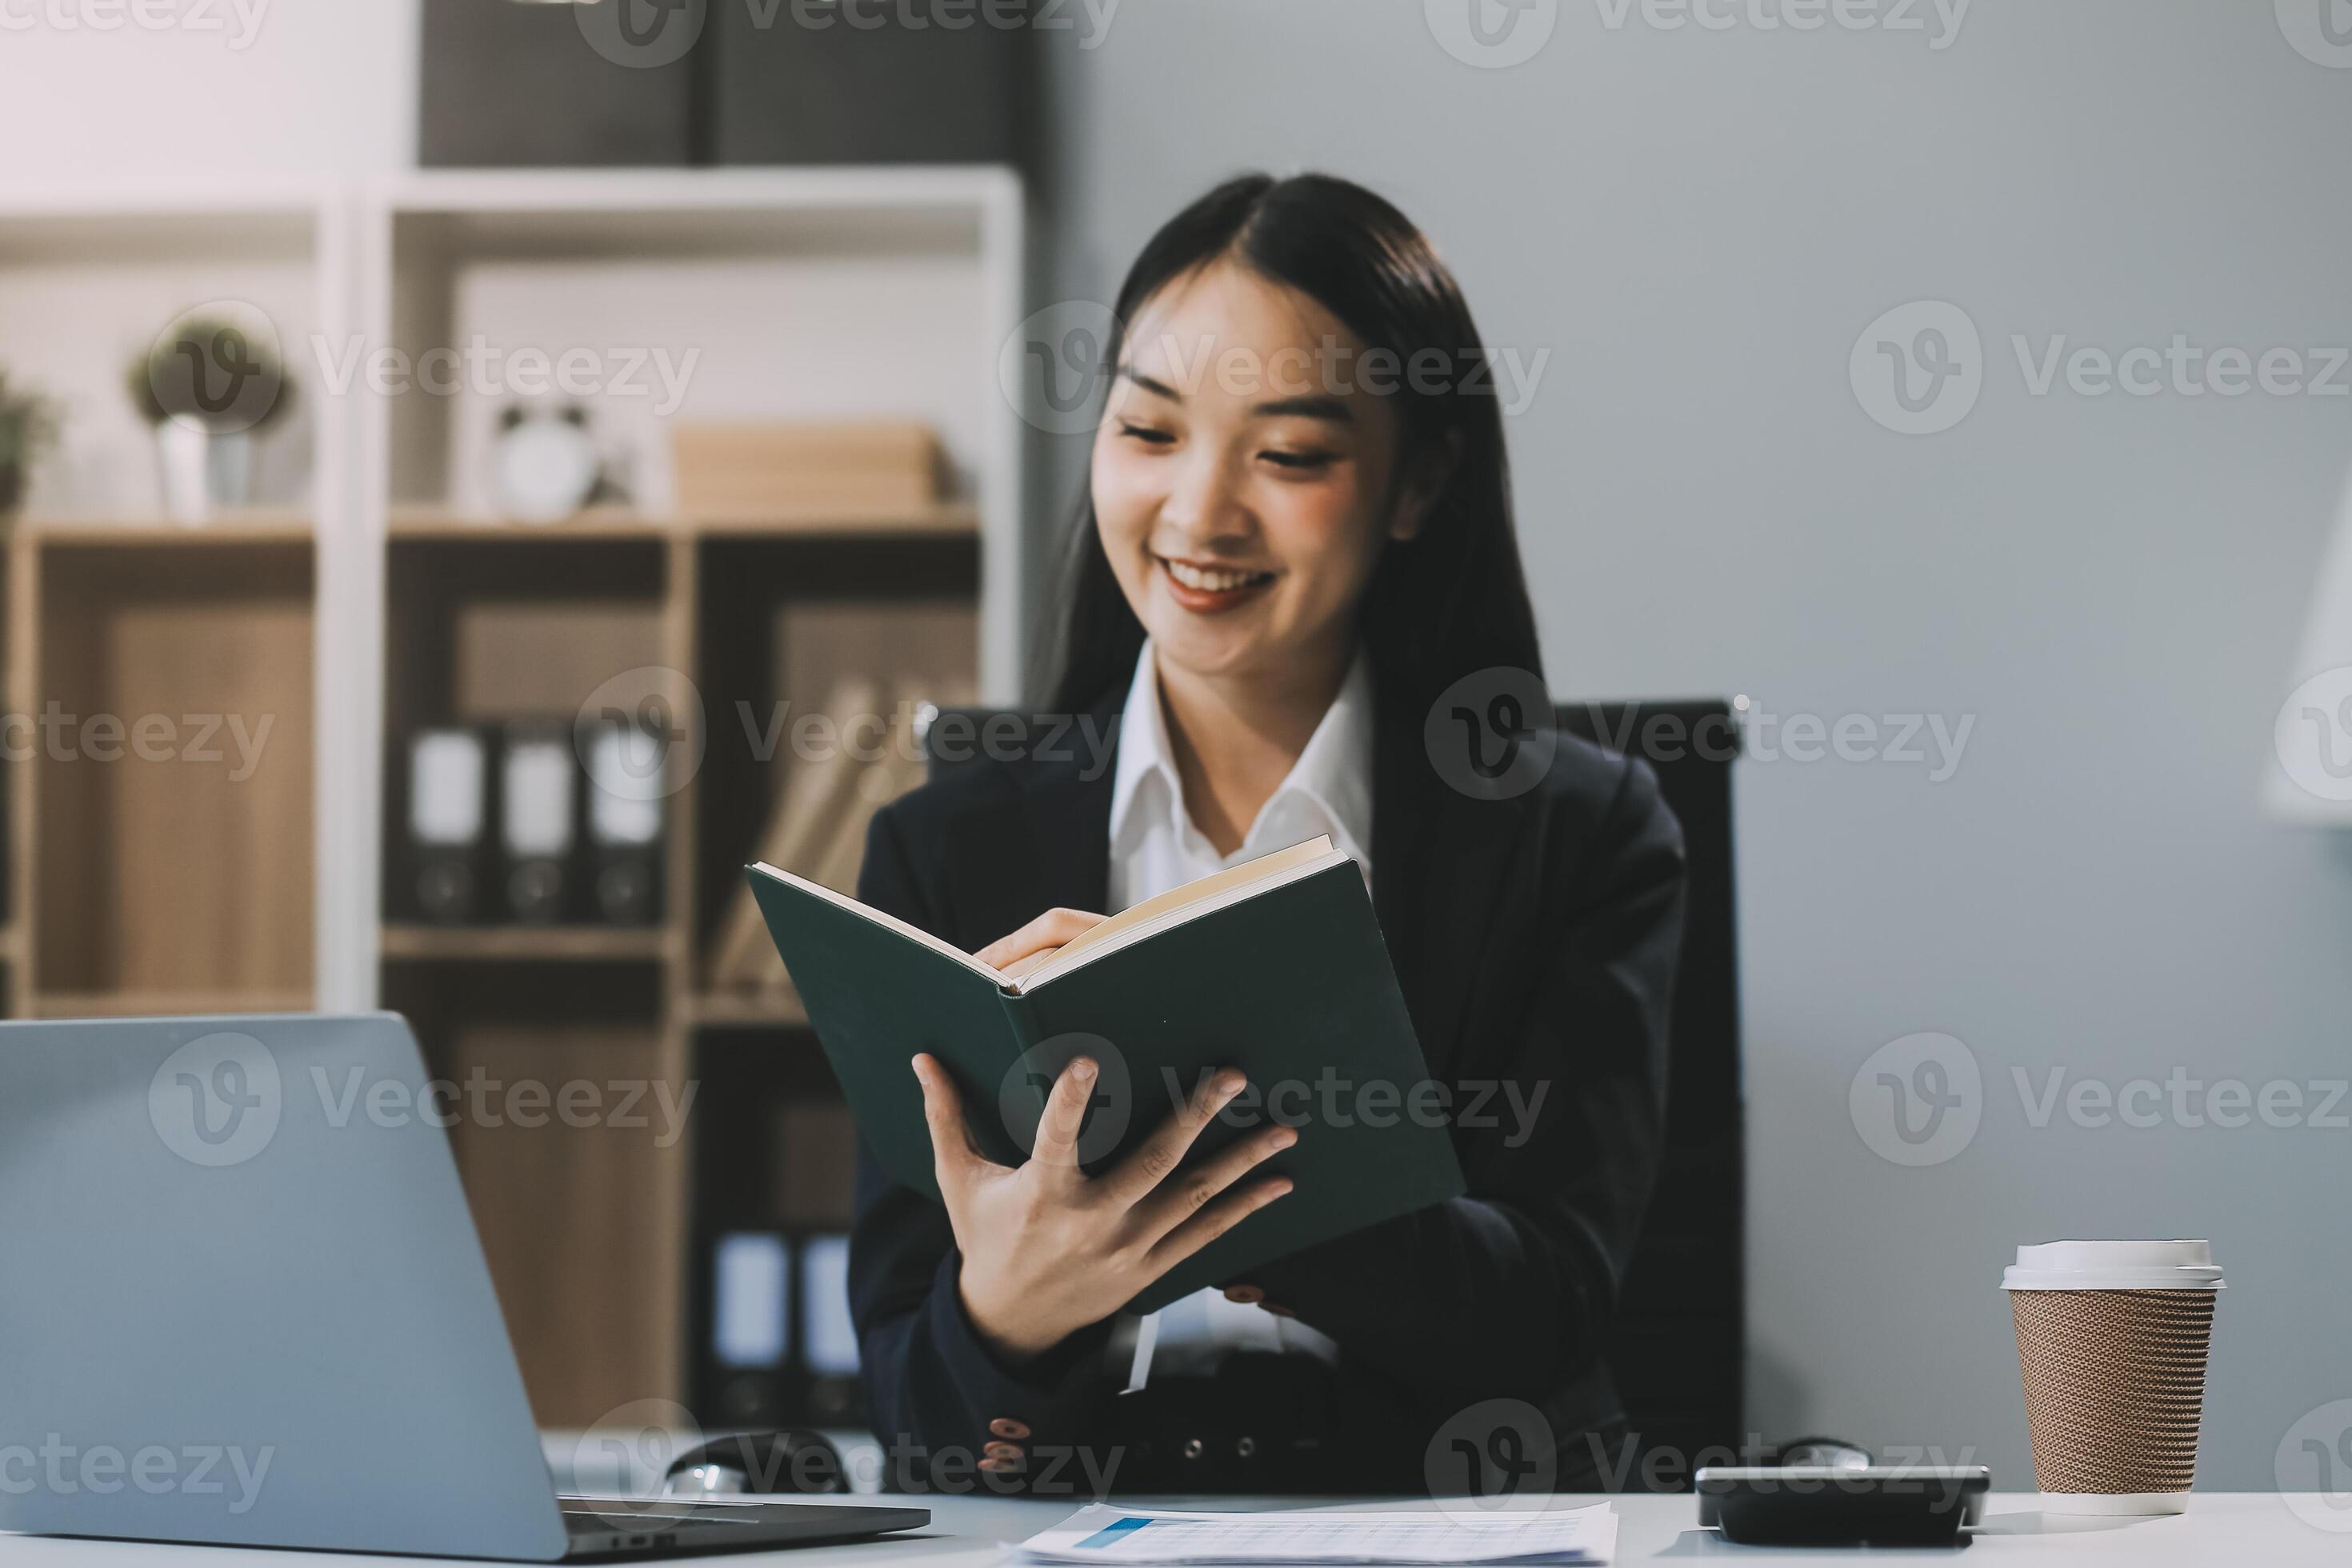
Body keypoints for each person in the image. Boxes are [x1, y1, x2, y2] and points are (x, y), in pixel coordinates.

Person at [849, 171, 1687, 1496]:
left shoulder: (1577, 837)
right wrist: (1009, 1309)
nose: (1199, 514)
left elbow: (1556, 1310)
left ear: (1419, 484)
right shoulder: (941, 858)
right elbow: (919, 1419)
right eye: (1148, 431)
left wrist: (1214, 1166)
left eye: (1289, 454)